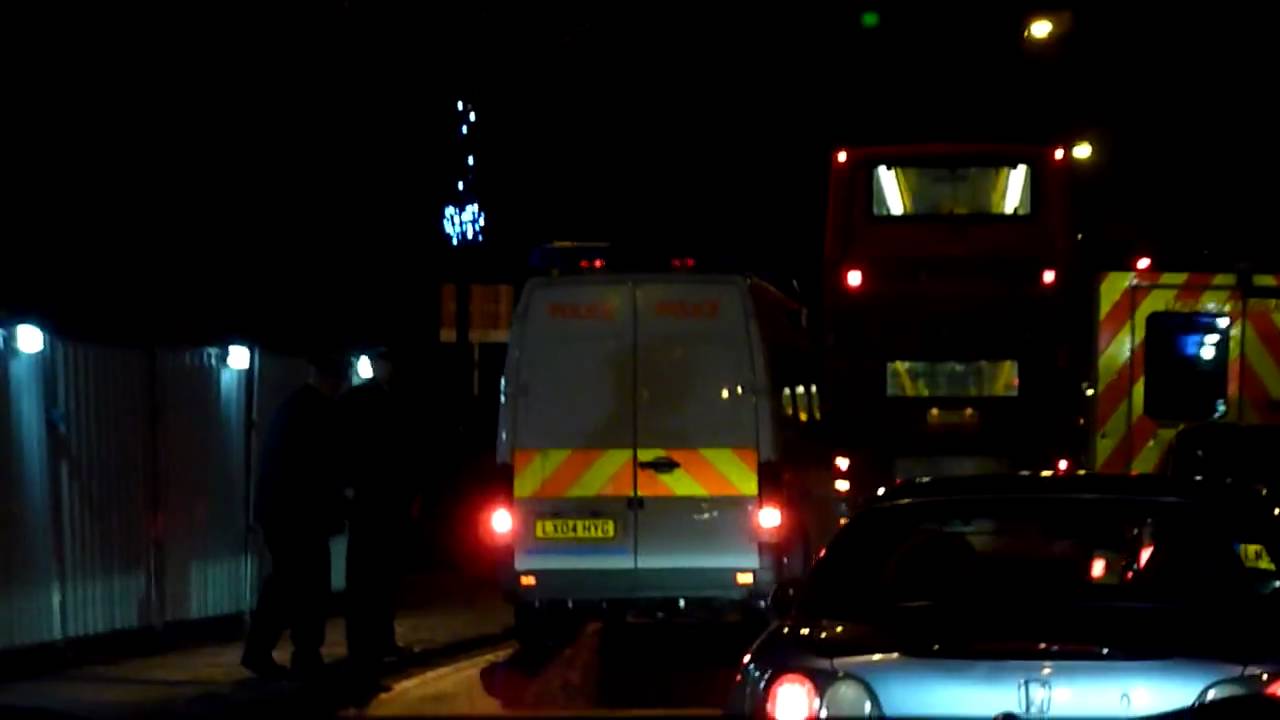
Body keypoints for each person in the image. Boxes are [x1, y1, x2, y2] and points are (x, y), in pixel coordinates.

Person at [241, 353, 349, 679]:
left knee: (289, 582)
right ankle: (297, 653)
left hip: (284, 513)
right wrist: (340, 502)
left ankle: (272, 651)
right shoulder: (316, 411)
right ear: (333, 380)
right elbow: (321, 469)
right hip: (300, 516)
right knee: (306, 584)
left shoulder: (295, 407)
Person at [342, 347, 414, 675]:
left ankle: (377, 642)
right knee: (368, 579)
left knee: (379, 578)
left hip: (382, 503)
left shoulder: (383, 400)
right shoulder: (368, 401)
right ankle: (364, 646)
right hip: (373, 503)